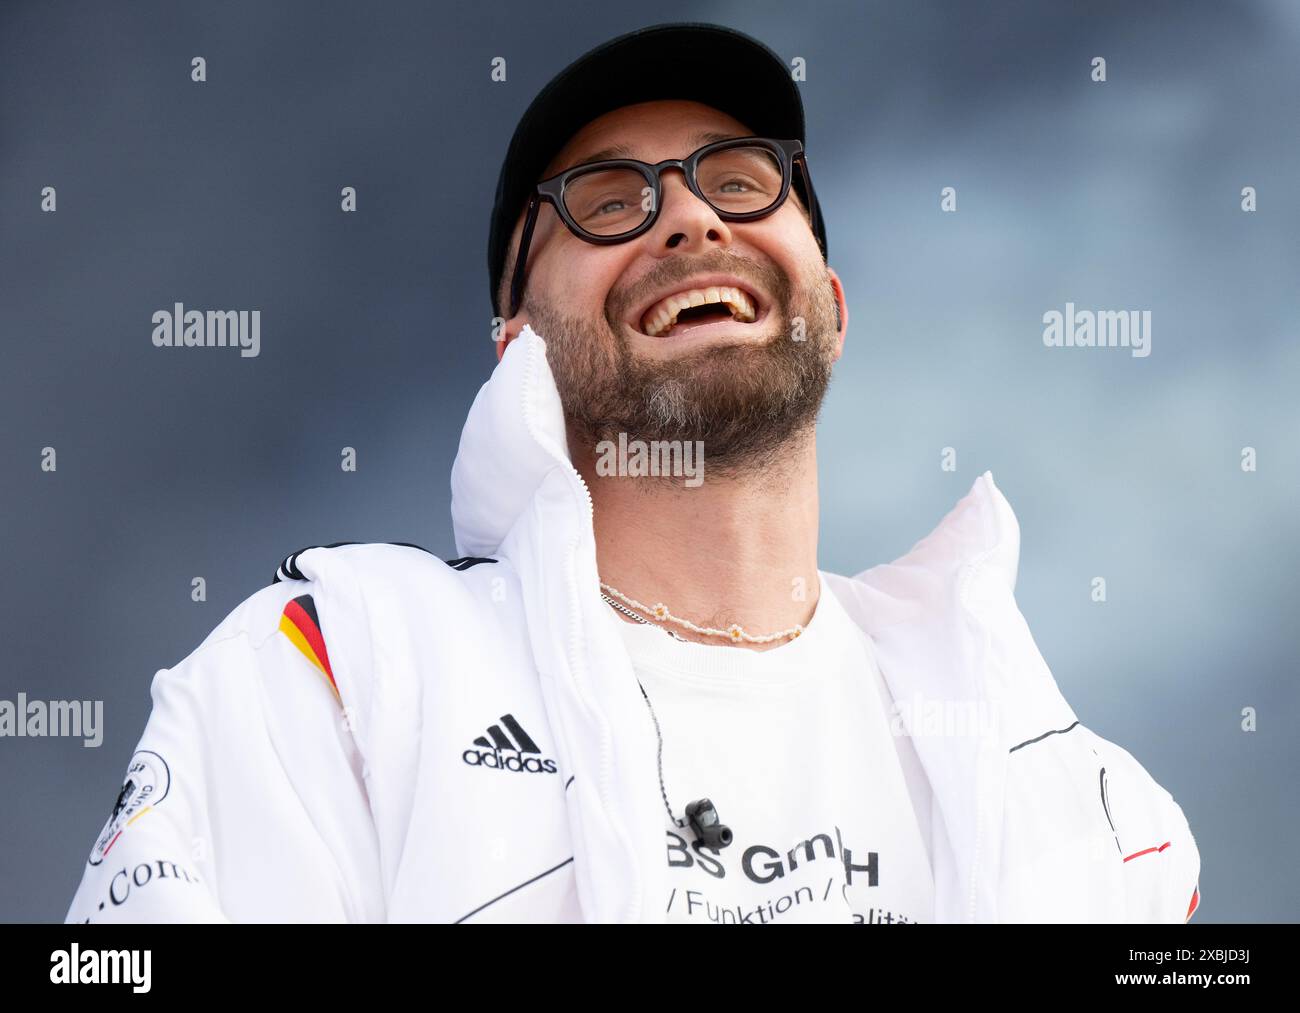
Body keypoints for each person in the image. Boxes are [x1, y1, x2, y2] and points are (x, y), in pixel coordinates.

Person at [65, 22, 1200, 924]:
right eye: (608, 201)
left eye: (743, 179)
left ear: (833, 307)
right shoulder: (338, 677)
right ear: (515, 347)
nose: (691, 218)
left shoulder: (1091, 808)